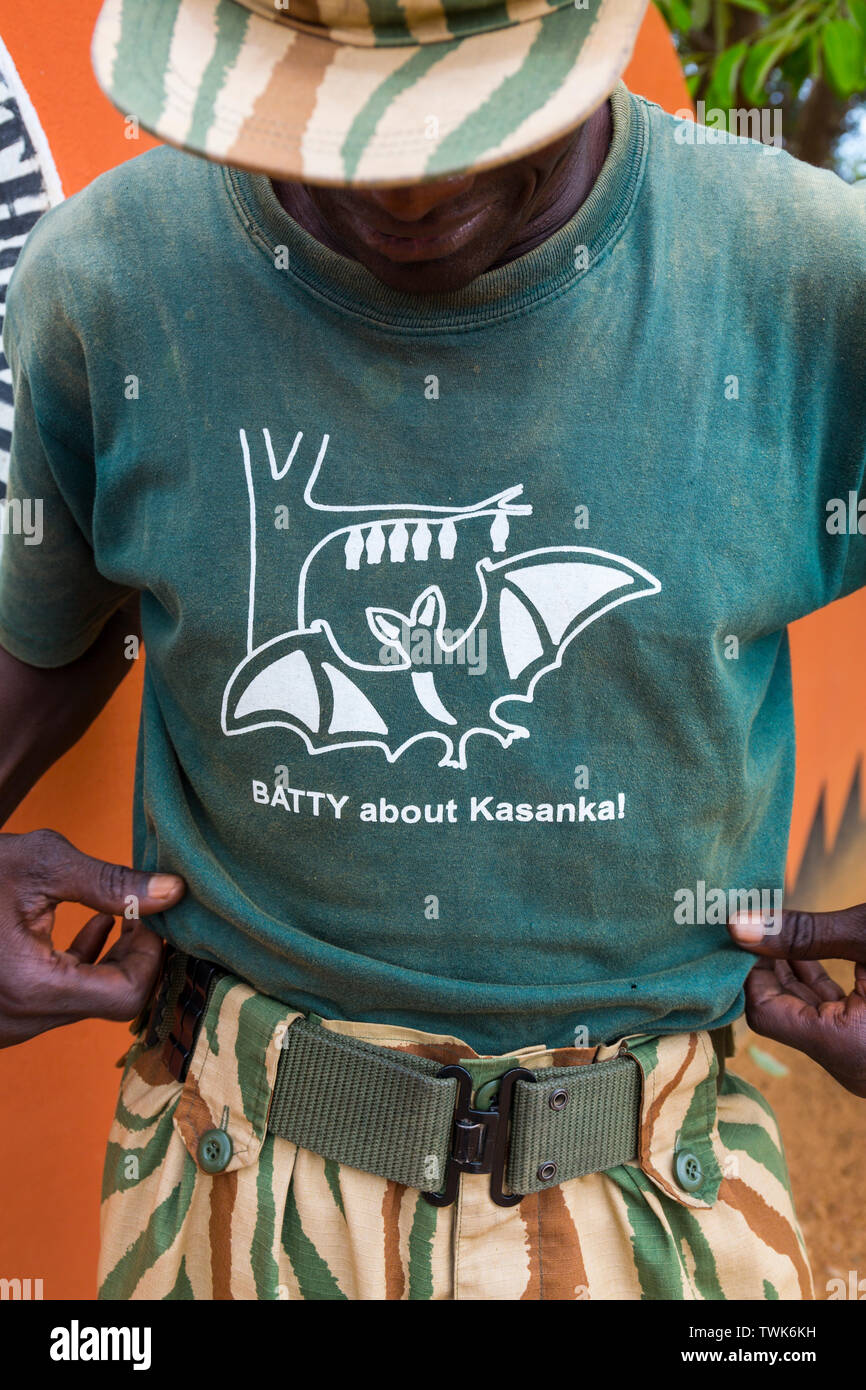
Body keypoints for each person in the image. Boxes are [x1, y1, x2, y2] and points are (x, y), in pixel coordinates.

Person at [0, 0, 863, 1301]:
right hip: (232, 1176)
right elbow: (44, 639)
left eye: (470, 116)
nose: (408, 188)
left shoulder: (802, 283)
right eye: (339, 128)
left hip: (659, 1196)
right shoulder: (115, 287)